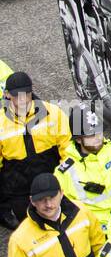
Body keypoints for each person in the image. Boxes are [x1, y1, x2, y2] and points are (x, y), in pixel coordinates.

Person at [5, 173, 105, 257]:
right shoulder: (20, 239)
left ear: (61, 193)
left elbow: (100, 248)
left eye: (52, 197)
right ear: (32, 201)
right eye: (41, 199)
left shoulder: (81, 211)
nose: (48, 204)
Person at [0, 71, 77, 229]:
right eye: (17, 96)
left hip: (52, 182)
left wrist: (65, 179)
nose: (22, 99)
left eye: (26, 94)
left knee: (62, 223)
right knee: (32, 228)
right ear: (7, 95)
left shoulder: (53, 113)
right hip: (19, 190)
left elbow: (67, 148)